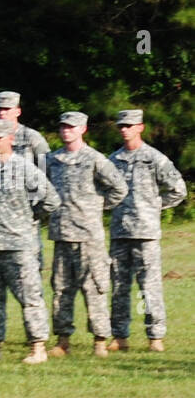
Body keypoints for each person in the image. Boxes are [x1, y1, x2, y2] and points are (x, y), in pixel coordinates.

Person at [0, 119, 60, 364]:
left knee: (30, 298)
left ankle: (37, 347)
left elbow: (51, 199)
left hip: (19, 245)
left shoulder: (25, 168)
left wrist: (30, 217)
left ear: (10, 139)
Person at [44, 111, 128, 358]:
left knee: (95, 288)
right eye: (63, 126)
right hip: (61, 235)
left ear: (83, 129)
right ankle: (62, 340)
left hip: (88, 236)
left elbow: (119, 188)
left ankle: (100, 340)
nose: (66, 130)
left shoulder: (95, 159)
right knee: (60, 289)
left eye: (72, 127)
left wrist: (97, 207)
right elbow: (42, 189)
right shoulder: (52, 159)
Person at [107, 109, 187, 352]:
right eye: (122, 125)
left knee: (149, 287)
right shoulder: (113, 159)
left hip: (146, 233)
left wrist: (155, 206)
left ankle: (155, 336)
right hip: (120, 232)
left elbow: (178, 189)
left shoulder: (154, 158)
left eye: (130, 125)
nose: (125, 129)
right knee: (119, 287)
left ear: (140, 127)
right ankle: (119, 337)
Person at [0, 91, 50, 173]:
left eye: (7, 109)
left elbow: (45, 167)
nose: (2, 113)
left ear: (18, 112)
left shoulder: (31, 137)